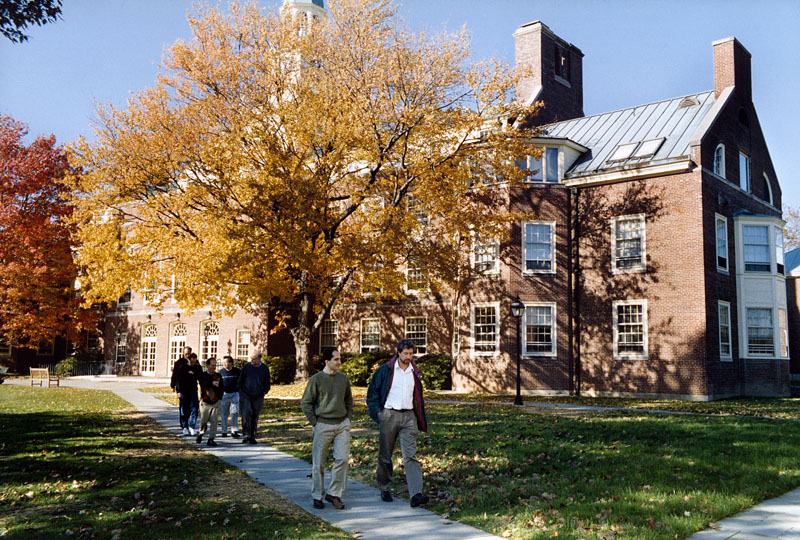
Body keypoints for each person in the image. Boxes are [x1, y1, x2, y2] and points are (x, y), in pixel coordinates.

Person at [366, 339, 429, 508]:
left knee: (410, 455)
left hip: (409, 417)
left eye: (411, 354)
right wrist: (379, 413)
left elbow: (418, 396)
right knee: (385, 454)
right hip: (389, 415)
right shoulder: (385, 370)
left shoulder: (414, 372)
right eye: (406, 353)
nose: (408, 357)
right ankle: (384, 488)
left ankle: (416, 494)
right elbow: (372, 393)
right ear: (398, 353)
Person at [300, 347, 353, 510]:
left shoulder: (343, 379)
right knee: (318, 463)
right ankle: (317, 495)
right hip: (323, 425)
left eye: (340, 359)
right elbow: (306, 403)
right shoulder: (316, 380)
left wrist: (348, 419)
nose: (339, 362)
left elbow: (349, 401)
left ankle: (334, 494)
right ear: (327, 361)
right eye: (336, 359)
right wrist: (315, 422)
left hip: (342, 425)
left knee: (342, 459)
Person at [237, 349, 271, 444]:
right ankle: (246, 434)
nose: (251, 361)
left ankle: (252, 435)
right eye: (251, 358)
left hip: (258, 394)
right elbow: (241, 378)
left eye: (254, 359)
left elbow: (267, 380)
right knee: (246, 413)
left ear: (259, 359)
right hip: (246, 394)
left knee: (255, 415)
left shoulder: (264, 368)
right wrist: (239, 390)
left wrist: (265, 391)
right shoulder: (247, 366)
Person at [196, 357, 224, 447]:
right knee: (203, 420)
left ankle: (211, 439)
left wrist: (219, 398)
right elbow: (203, 384)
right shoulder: (203, 375)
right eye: (212, 365)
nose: (214, 367)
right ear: (207, 365)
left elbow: (222, 387)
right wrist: (212, 383)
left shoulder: (218, 376)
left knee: (214, 421)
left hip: (215, 402)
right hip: (205, 402)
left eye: (215, 365)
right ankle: (201, 433)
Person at [176, 352, 203, 436]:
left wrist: (202, 391)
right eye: (191, 362)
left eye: (194, 362)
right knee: (184, 410)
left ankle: (192, 426)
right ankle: (185, 427)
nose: (192, 364)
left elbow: (201, 379)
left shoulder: (198, 368)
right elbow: (178, 380)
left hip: (193, 390)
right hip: (184, 391)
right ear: (188, 360)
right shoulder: (182, 367)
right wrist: (178, 391)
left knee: (194, 408)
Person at [170, 346, 192, 433]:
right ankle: (183, 425)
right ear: (183, 353)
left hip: (191, 388)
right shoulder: (179, 363)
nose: (187, 355)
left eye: (189, 353)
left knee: (190, 408)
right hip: (182, 388)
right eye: (186, 354)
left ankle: (187, 422)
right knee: (183, 407)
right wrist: (173, 386)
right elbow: (174, 375)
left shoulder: (194, 362)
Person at [218, 355, 241, 438]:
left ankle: (234, 431)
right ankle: (224, 431)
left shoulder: (237, 372)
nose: (225, 364)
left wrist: (238, 390)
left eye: (227, 362)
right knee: (224, 414)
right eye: (223, 363)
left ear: (231, 363)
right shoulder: (220, 372)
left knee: (234, 412)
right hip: (224, 394)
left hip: (234, 394)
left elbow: (241, 382)